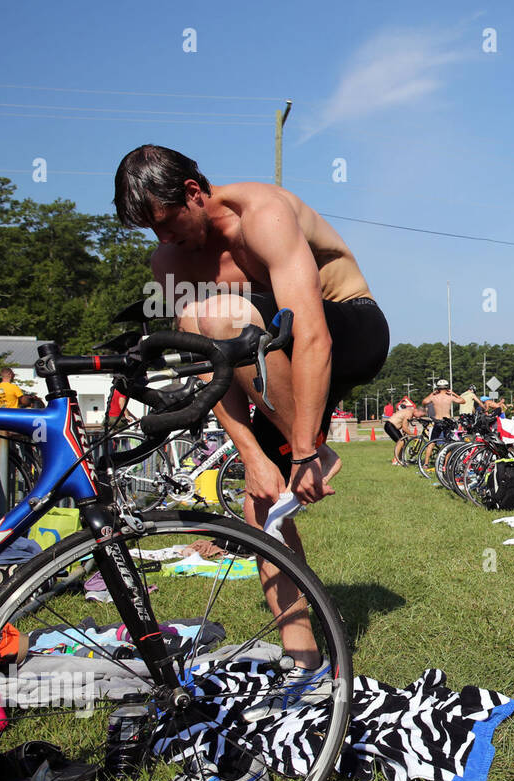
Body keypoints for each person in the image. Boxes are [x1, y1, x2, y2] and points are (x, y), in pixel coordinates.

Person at [113, 144, 390, 684]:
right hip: (264, 356)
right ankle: (304, 655)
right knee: (260, 497)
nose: (164, 241)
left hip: (348, 330)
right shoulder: (169, 261)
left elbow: (310, 333)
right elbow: (206, 365)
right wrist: (253, 455)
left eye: (168, 224)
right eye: (152, 232)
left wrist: (304, 445)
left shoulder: (263, 216)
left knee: (218, 312)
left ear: (195, 191)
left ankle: (310, 446)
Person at [421, 379, 462, 469]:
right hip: (447, 421)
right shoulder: (450, 397)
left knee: (431, 443)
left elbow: (424, 402)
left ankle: (426, 464)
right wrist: (453, 393)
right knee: (449, 443)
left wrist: (432, 393)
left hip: (438, 421)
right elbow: (462, 401)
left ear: (437, 388)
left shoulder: (434, 397)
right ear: (447, 388)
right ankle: (445, 465)